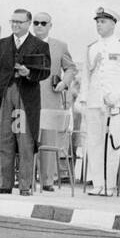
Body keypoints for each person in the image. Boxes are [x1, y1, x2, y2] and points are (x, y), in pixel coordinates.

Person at [0, 8, 51, 195]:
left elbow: (45, 71)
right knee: (4, 139)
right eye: (13, 21)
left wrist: (29, 73)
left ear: (28, 23)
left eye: (19, 22)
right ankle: (5, 184)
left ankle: (25, 185)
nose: (15, 25)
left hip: (25, 98)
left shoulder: (39, 45)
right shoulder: (2, 44)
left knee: (24, 141)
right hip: (5, 95)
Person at [79, 6, 120, 195]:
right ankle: (98, 184)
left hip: (116, 104)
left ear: (113, 23)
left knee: (113, 142)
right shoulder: (91, 48)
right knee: (94, 142)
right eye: (97, 21)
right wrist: (83, 99)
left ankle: (110, 184)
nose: (99, 25)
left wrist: (118, 95)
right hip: (95, 102)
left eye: (103, 21)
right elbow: (86, 77)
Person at [33, 13, 76, 190]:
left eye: (43, 23)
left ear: (51, 25)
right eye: (36, 23)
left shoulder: (59, 46)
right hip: (27, 97)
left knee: (49, 140)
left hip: (50, 98)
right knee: (26, 139)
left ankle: (47, 180)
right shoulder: (23, 43)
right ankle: (26, 177)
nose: (39, 26)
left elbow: (71, 68)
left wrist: (64, 83)